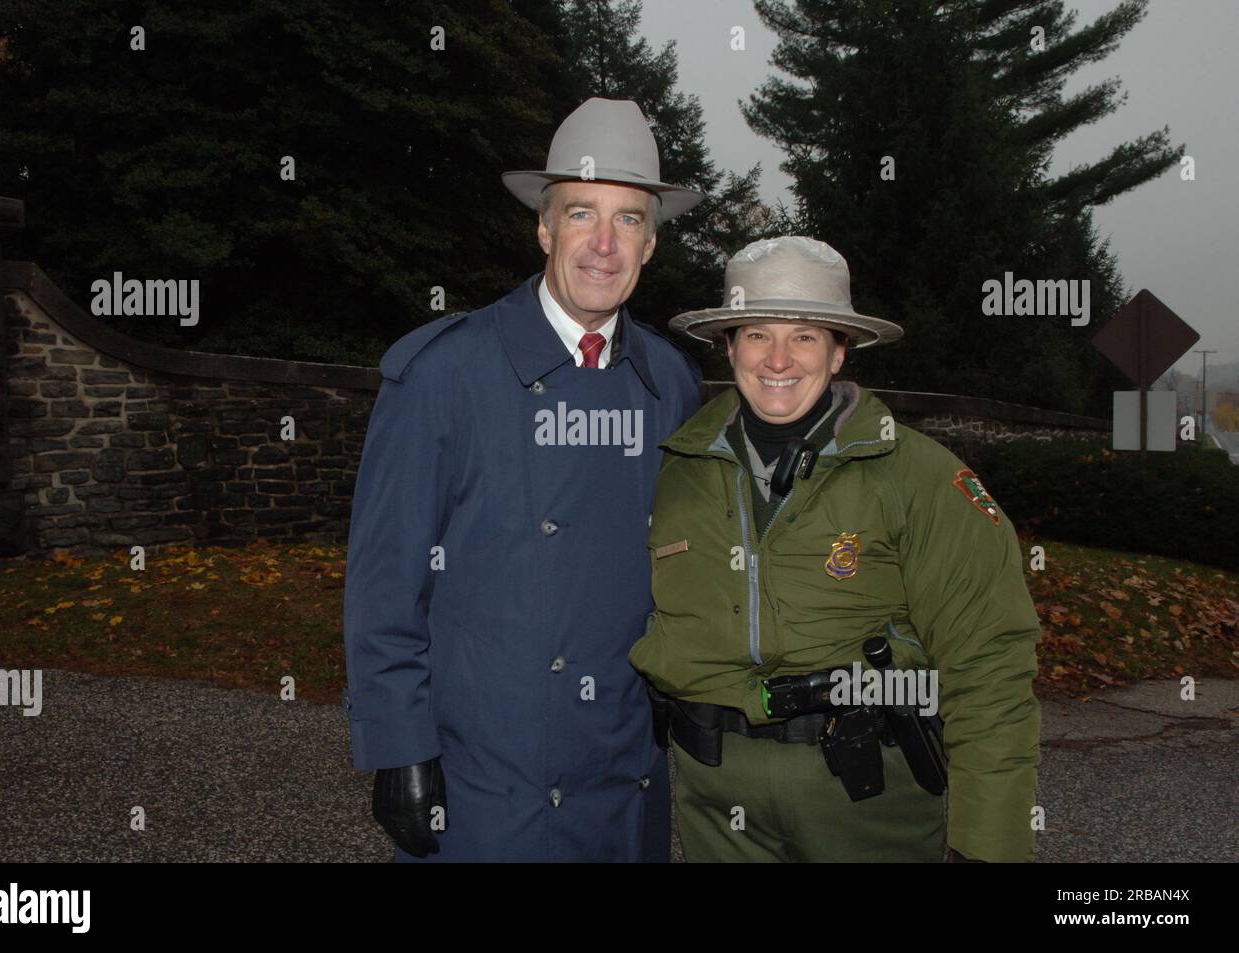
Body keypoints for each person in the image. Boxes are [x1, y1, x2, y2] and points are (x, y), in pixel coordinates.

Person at [342, 98, 704, 861]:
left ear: (652, 243)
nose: (604, 244)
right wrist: (398, 746)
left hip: (627, 769)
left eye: (629, 220)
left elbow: (680, 558)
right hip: (488, 781)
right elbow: (384, 581)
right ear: (544, 229)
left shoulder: (670, 381)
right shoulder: (444, 372)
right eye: (581, 214)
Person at [629, 236, 1042, 862]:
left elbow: (990, 666)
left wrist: (987, 846)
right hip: (717, 808)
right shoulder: (673, 471)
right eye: (757, 334)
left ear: (840, 351)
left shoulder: (921, 478)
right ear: (729, 345)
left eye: (804, 336)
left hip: (867, 802)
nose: (778, 359)